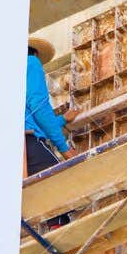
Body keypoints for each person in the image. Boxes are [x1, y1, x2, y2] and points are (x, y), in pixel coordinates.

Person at [24, 36, 72, 178]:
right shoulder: (31, 62)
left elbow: (30, 117)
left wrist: (62, 119)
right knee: (62, 182)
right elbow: (38, 107)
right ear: (35, 53)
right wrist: (64, 148)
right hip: (30, 144)